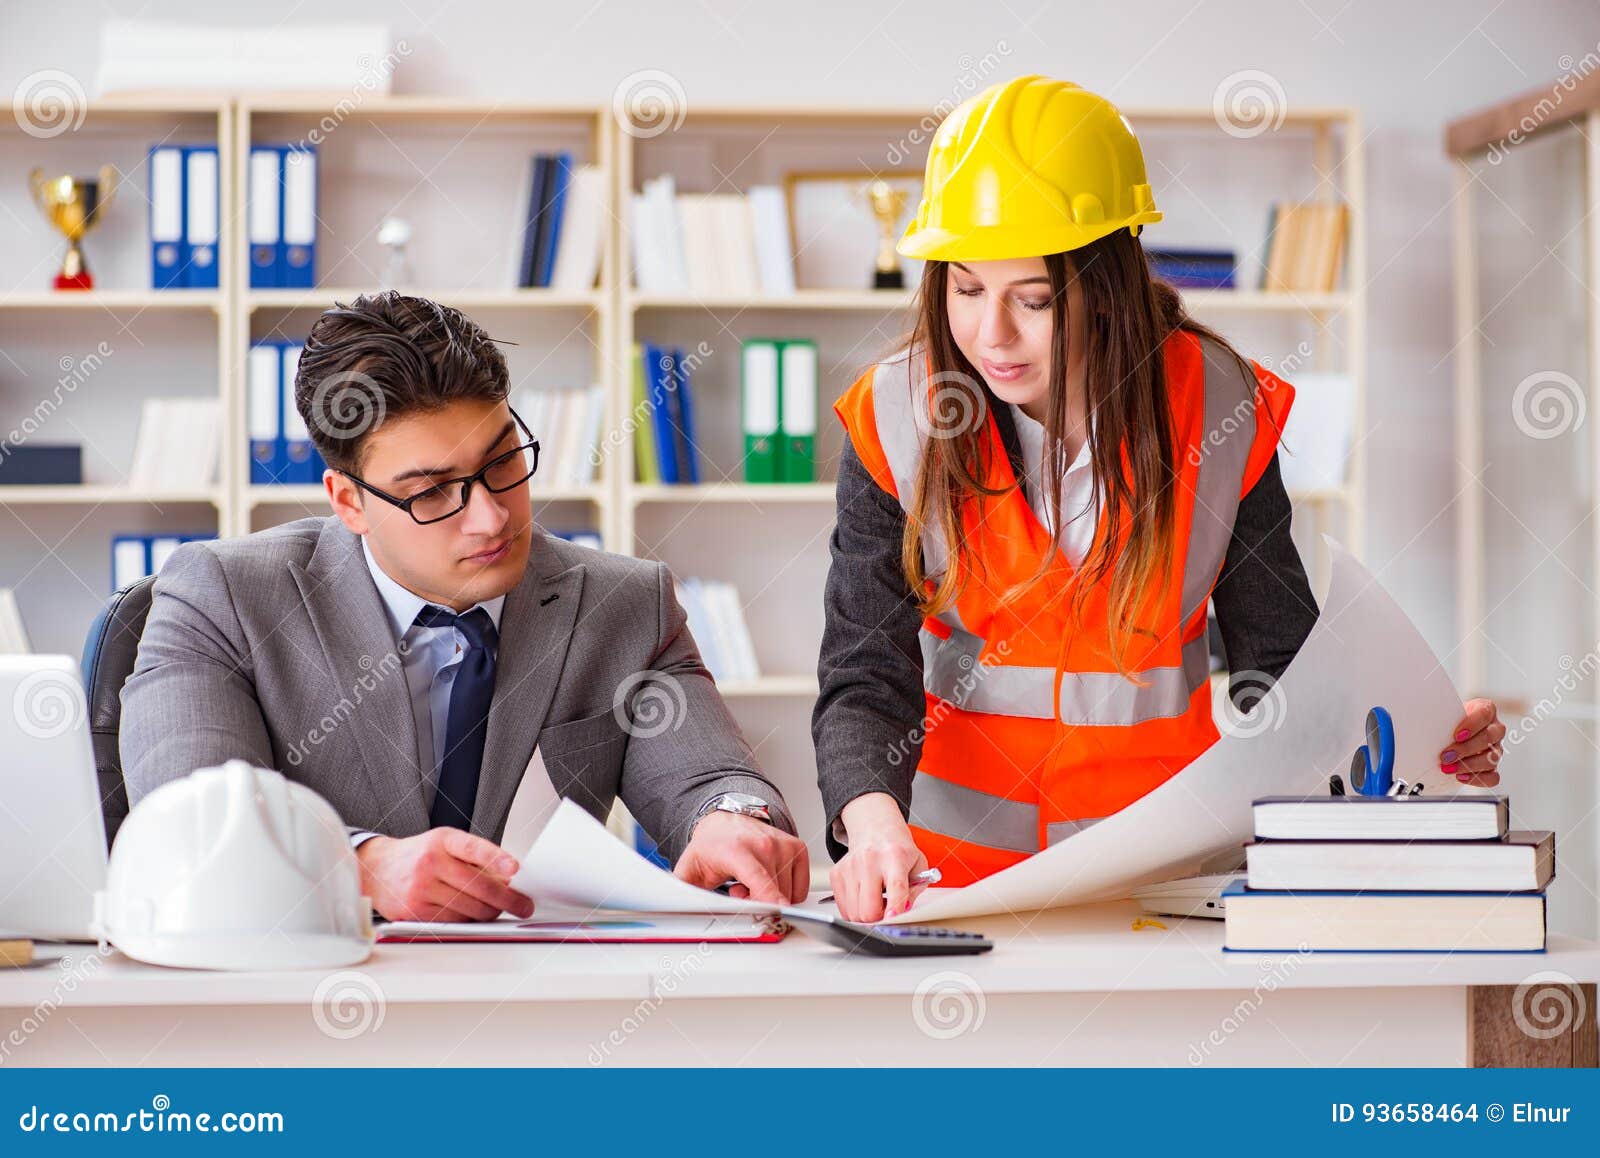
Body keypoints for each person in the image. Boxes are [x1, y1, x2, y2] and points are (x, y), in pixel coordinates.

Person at [813, 75, 1504, 923]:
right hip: (957, 887)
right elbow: (864, 672)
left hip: (1166, 885)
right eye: (964, 289)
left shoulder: (1218, 408)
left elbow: (1277, 673)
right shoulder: (896, 417)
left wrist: (1415, 738)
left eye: (1033, 298)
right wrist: (871, 820)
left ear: (1108, 281)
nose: (991, 333)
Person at [122, 291, 809, 922]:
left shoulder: (625, 604)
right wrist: (356, 868)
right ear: (348, 502)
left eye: (503, 463)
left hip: (535, 1016)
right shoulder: (223, 596)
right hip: (295, 1005)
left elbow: (713, 780)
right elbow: (192, 824)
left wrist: (733, 819)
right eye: (431, 491)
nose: (489, 518)